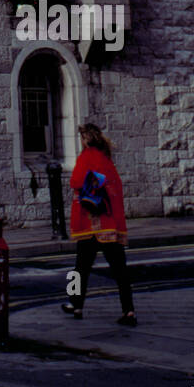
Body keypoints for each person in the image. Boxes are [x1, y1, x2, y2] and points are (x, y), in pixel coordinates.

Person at [62, 121, 136, 326]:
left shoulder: (86, 157)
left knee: (79, 269)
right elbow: (115, 189)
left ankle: (74, 304)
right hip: (109, 225)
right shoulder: (107, 160)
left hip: (89, 225)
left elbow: (75, 182)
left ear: (85, 140)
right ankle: (129, 310)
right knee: (120, 270)